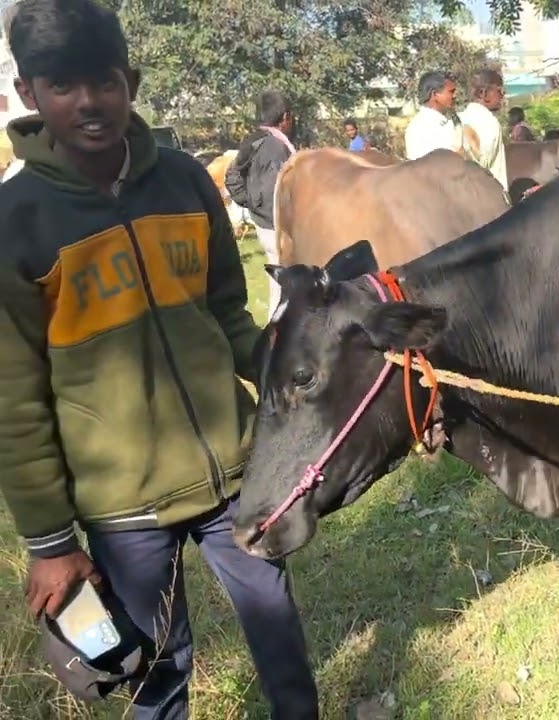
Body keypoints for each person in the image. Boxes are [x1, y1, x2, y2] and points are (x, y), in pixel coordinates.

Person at [0, 1, 320, 719]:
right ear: (29, 94)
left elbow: (229, 314)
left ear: (131, 80)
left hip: (237, 473)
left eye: (105, 82)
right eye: (62, 85)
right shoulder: (13, 223)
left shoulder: (184, 181)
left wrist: (295, 380)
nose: (88, 102)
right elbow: (14, 402)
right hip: (124, 505)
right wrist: (51, 543)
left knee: (281, 640)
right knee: (156, 671)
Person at [224, 89, 295, 316]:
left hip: (262, 222)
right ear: (284, 117)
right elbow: (281, 190)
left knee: (276, 279)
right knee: (287, 281)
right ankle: (281, 329)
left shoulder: (253, 139)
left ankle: (276, 328)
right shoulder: (275, 147)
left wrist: (250, 203)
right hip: (277, 225)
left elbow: (232, 176)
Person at [458, 68, 508, 189]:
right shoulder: (488, 121)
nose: (503, 95)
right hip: (488, 196)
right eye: (500, 90)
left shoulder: (459, 118)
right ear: (483, 94)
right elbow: (482, 164)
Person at [404, 70, 462, 160]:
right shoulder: (422, 127)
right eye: (451, 91)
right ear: (434, 94)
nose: (455, 96)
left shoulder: (446, 121)